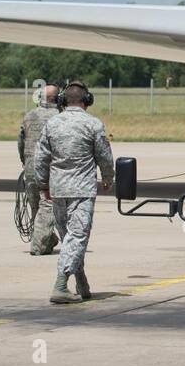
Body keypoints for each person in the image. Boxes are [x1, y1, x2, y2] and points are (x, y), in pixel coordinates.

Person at [33, 81, 114, 304]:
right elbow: (104, 156)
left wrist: (43, 185)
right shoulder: (93, 124)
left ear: (62, 101)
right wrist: (108, 177)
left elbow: (40, 158)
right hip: (82, 190)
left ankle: (81, 280)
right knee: (77, 236)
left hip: (58, 190)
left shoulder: (52, 124)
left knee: (69, 237)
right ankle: (60, 284)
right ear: (86, 100)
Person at [18, 84, 60, 254]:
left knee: (36, 207)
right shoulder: (59, 117)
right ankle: (38, 246)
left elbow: (21, 142)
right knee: (48, 206)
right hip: (49, 170)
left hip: (30, 169)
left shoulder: (29, 116)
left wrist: (24, 161)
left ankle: (48, 240)